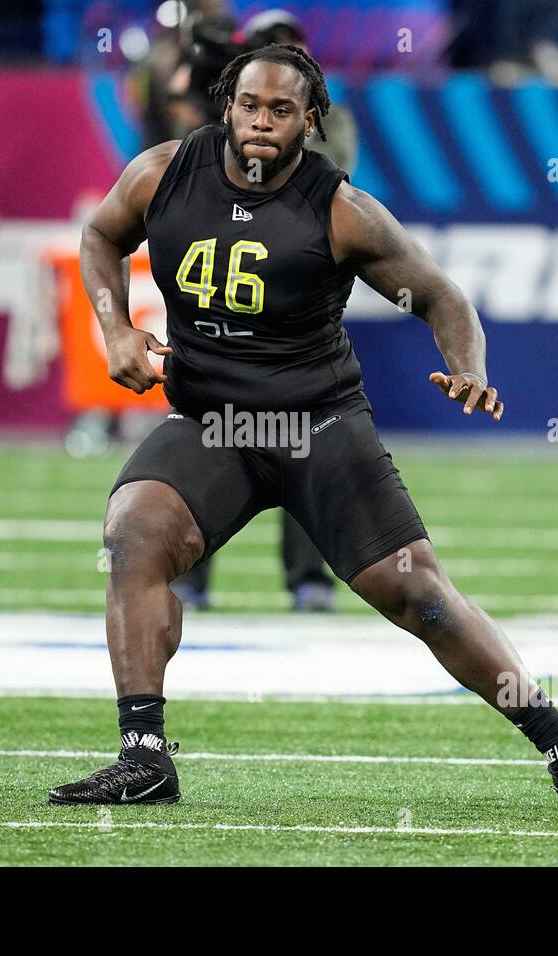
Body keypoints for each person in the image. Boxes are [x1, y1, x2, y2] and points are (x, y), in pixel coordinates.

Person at [48, 43, 558, 812]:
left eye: (281, 110)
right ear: (225, 106)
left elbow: (443, 296)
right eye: (249, 106)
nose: (262, 123)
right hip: (213, 423)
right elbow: (101, 238)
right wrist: (116, 330)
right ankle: (144, 756)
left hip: (317, 424)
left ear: (311, 121)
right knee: (132, 536)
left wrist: (468, 366)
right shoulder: (162, 172)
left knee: (422, 600)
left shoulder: (339, 208)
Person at [170, 9, 356, 613]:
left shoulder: (325, 121)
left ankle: (308, 580)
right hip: (220, 321)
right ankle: (190, 575)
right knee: (203, 445)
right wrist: (206, 80)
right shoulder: (223, 108)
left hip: (293, 313)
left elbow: (337, 174)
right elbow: (179, 142)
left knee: (304, 443)